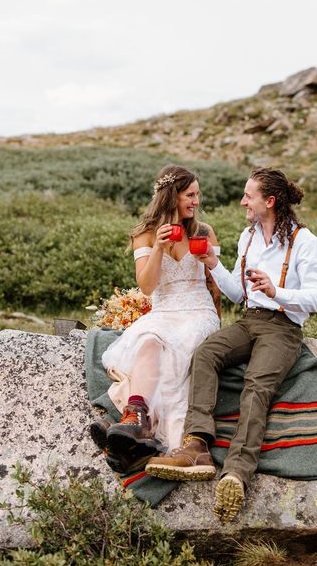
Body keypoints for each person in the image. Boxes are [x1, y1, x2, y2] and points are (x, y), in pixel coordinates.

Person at [145, 167, 317, 520]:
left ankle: (236, 474)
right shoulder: (248, 237)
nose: (243, 201)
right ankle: (196, 442)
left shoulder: (305, 242)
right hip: (249, 321)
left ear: (269, 202)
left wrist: (277, 291)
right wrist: (213, 264)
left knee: (256, 386)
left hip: (283, 327)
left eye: (249, 196)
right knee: (206, 354)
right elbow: (236, 293)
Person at [89, 164, 221, 472]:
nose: (196, 201)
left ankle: (130, 437)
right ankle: (137, 421)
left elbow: (217, 284)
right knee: (148, 340)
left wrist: (211, 263)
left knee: (174, 354)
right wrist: (159, 248)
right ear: (171, 197)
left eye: (198, 194)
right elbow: (147, 286)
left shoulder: (203, 232)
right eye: (190, 195)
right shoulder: (144, 235)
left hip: (198, 312)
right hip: (164, 311)